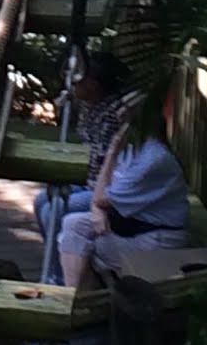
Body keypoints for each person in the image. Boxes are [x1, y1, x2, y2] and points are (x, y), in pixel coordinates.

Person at [58, 116, 189, 292]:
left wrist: (111, 152)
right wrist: (97, 209)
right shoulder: (133, 150)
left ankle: (76, 303)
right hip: (134, 231)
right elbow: (102, 193)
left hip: (157, 244)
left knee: (76, 245)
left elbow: (101, 198)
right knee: (72, 224)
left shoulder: (153, 159)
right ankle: (78, 299)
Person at [33, 50, 129, 264]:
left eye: (78, 81)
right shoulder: (89, 102)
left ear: (94, 85)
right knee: (41, 200)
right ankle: (54, 257)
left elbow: (109, 160)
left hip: (108, 189)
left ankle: (57, 274)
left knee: (55, 209)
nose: (72, 85)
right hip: (91, 181)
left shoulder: (116, 113)